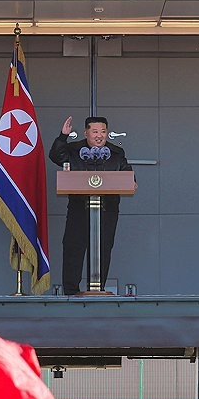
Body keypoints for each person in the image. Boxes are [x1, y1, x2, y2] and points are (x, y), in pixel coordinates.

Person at [49, 115, 132, 295]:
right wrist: (63, 136)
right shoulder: (74, 149)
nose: (99, 135)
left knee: (103, 248)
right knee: (73, 247)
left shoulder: (116, 152)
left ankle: (97, 289)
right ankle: (71, 291)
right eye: (94, 131)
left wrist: (132, 181)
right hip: (79, 208)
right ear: (86, 133)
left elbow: (126, 173)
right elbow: (55, 156)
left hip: (107, 209)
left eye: (103, 131)